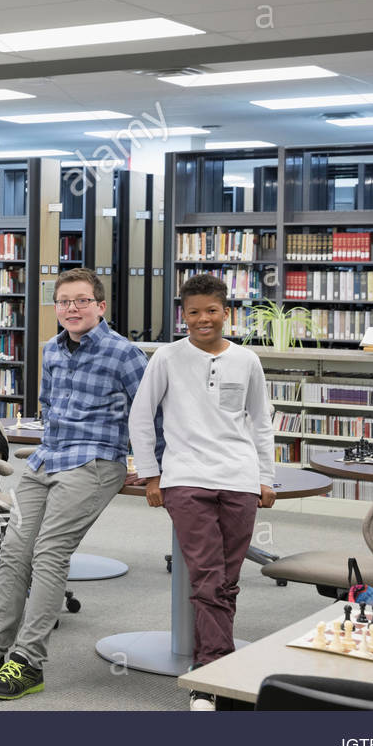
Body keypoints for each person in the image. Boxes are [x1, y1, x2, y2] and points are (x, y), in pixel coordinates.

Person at [0, 268, 147, 699]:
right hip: (47, 460)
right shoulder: (52, 350)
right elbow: (49, 405)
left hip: (93, 461)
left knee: (49, 552)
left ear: (100, 305)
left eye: (81, 300)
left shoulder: (125, 354)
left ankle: (28, 660)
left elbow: (152, 414)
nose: (71, 309)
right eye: (63, 302)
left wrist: (152, 467)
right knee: (14, 551)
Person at [128, 272, 275, 711]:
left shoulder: (247, 360)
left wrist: (264, 477)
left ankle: (213, 671)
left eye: (211, 310)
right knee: (209, 577)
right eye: (193, 312)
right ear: (183, 315)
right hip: (186, 479)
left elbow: (261, 422)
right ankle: (211, 678)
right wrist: (151, 475)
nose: (203, 319)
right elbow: (140, 417)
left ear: (225, 312)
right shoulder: (167, 358)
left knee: (226, 581)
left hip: (239, 479)